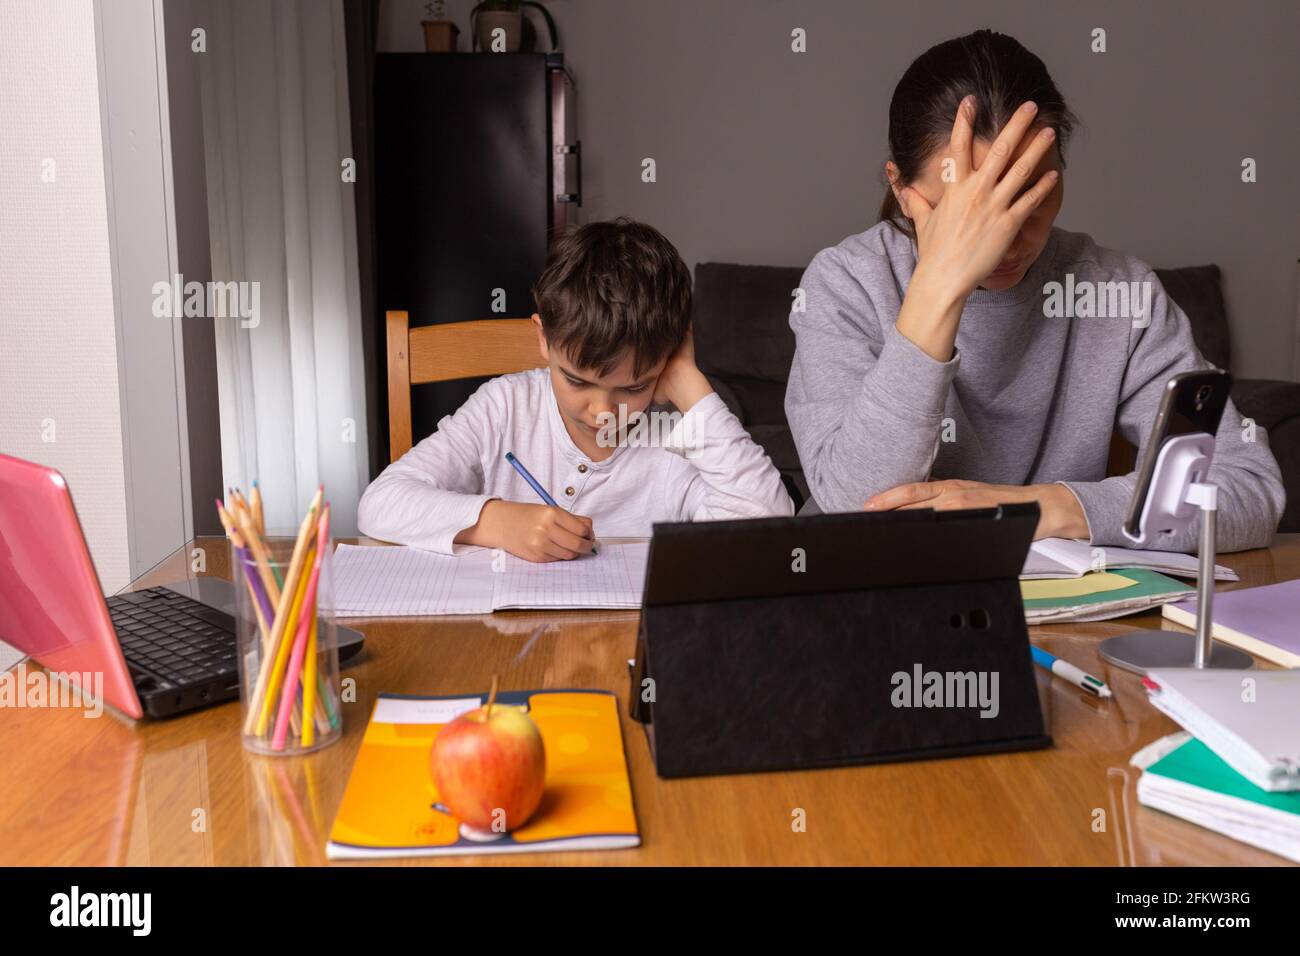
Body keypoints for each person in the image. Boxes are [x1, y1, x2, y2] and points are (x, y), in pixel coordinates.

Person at [785, 29, 1283, 551]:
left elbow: (1248, 487)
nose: (1004, 240)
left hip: (1056, 610)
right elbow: (856, 512)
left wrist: (1048, 507)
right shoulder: (844, 284)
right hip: (873, 606)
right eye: (969, 205)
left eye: (1030, 198)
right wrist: (941, 286)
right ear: (901, 190)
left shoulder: (1120, 295)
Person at [358, 218, 793, 561]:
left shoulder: (679, 437)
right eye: (577, 381)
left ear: (669, 359)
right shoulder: (506, 407)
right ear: (544, 339)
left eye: (634, 386)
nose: (602, 412)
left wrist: (691, 386)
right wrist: (496, 522)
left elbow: (767, 527)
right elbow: (379, 503)